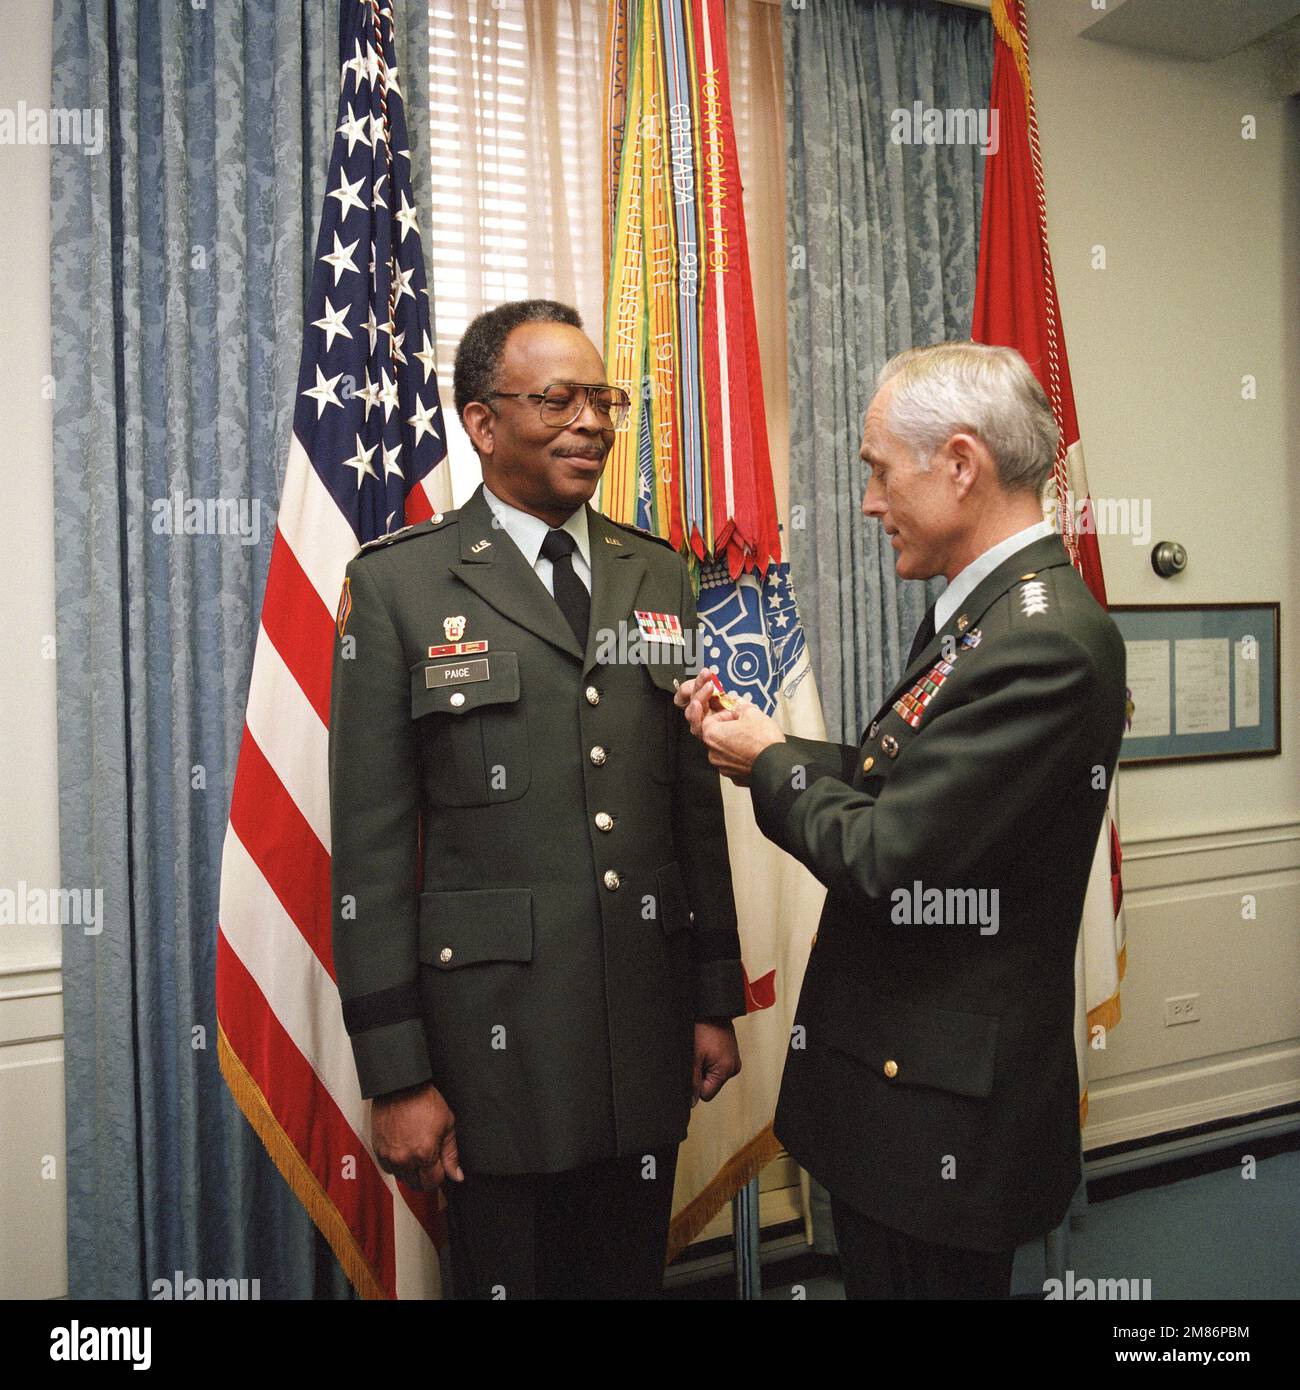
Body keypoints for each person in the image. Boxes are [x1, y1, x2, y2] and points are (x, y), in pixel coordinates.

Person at [676, 341, 1126, 1299]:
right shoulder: (990, 611)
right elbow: (915, 783)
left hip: (943, 1119)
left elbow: (889, 856)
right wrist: (775, 748)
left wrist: (774, 765)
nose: (871, 503)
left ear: (960, 464)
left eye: (879, 471)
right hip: (907, 1093)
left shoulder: (1040, 641)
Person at [328, 299, 744, 1300]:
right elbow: (372, 850)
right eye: (557, 398)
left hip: (641, 1033)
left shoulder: (659, 574)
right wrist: (397, 1074)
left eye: (601, 397)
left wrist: (712, 997)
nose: (590, 421)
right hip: (490, 1055)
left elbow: (689, 802)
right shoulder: (400, 586)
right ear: (480, 422)